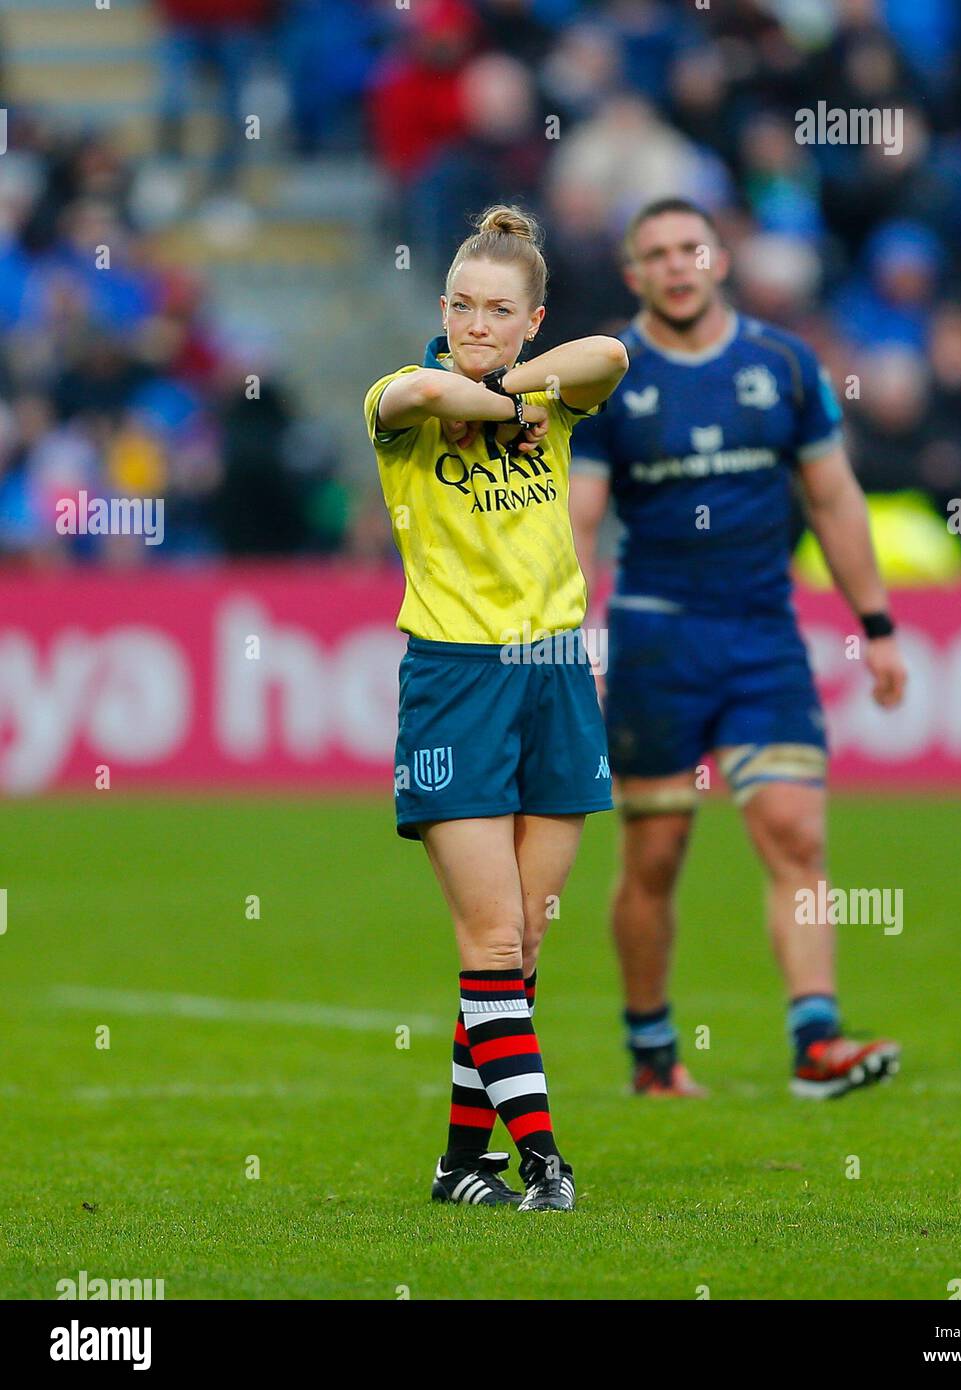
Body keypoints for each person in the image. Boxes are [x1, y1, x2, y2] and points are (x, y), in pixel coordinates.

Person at [569, 198, 907, 1100]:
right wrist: (570, 636)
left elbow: (833, 498)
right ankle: (652, 1048)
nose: (676, 266)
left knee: (796, 833)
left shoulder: (784, 365)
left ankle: (815, 1043)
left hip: (763, 636)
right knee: (655, 855)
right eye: (655, 255)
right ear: (634, 274)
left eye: (690, 248)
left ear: (719, 259)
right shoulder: (607, 377)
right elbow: (580, 519)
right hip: (655, 643)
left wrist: (876, 625)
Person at [363, 205, 627, 1209]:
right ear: (442, 308)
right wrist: (495, 403)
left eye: (500, 311)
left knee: (524, 949)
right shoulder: (403, 400)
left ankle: (459, 1166)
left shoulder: (552, 393)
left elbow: (611, 354)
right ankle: (544, 1161)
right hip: (459, 683)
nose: (477, 324)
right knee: (495, 943)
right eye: (463, 305)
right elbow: (426, 389)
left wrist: (519, 391)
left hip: (556, 673)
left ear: (532, 320)